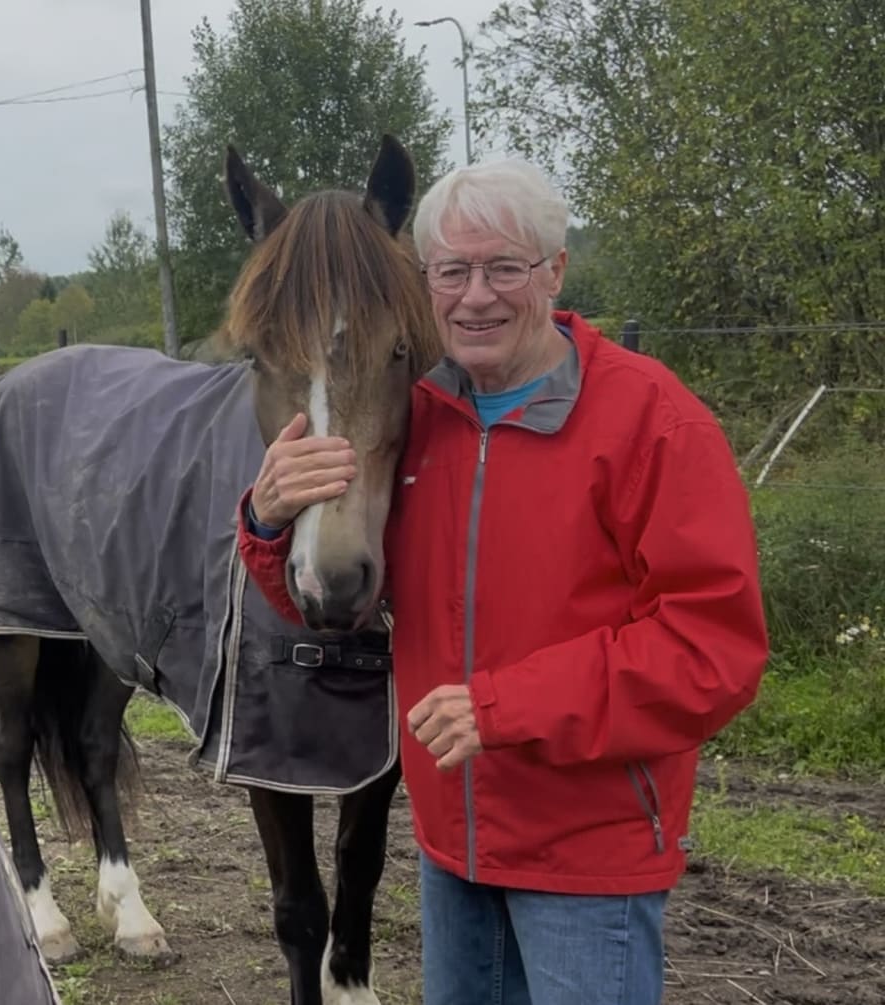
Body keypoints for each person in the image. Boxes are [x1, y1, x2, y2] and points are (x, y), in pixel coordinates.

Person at [235, 157, 769, 1004]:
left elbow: (713, 651)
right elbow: (346, 601)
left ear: (555, 271)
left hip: (588, 862)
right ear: (424, 282)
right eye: (452, 270)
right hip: (454, 855)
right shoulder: (423, 421)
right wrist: (267, 526)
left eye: (504, 268)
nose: (475, 295)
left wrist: (504, 708)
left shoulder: (651, 421)